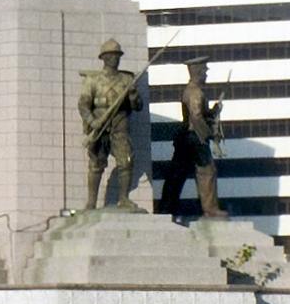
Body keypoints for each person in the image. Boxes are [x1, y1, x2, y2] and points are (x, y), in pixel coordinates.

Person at [79, 39, 144, 209]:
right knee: (96, 164)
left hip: (120, 126)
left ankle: (124, 199)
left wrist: (133, 94)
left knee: (126, 161)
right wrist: (93, 122)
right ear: (104, 58)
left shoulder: (127, 79)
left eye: (117, 55)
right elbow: (83, 105)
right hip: (100, 127)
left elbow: (137, 107)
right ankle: (91, 202)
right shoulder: (93, 80)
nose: (115, 59)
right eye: (111, 55)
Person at [158, 56, 224, 221]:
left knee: (177, 174)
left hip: (187, 138)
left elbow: (200, 114)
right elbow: (196, 117)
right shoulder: (195, 92)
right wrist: (209, 134)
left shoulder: (193, 91)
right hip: (195, 138)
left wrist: (213, 111)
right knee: (207, 171)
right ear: (199, 72)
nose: (206, 74)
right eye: (205, 71)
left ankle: (166, 210)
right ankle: (211, 210)